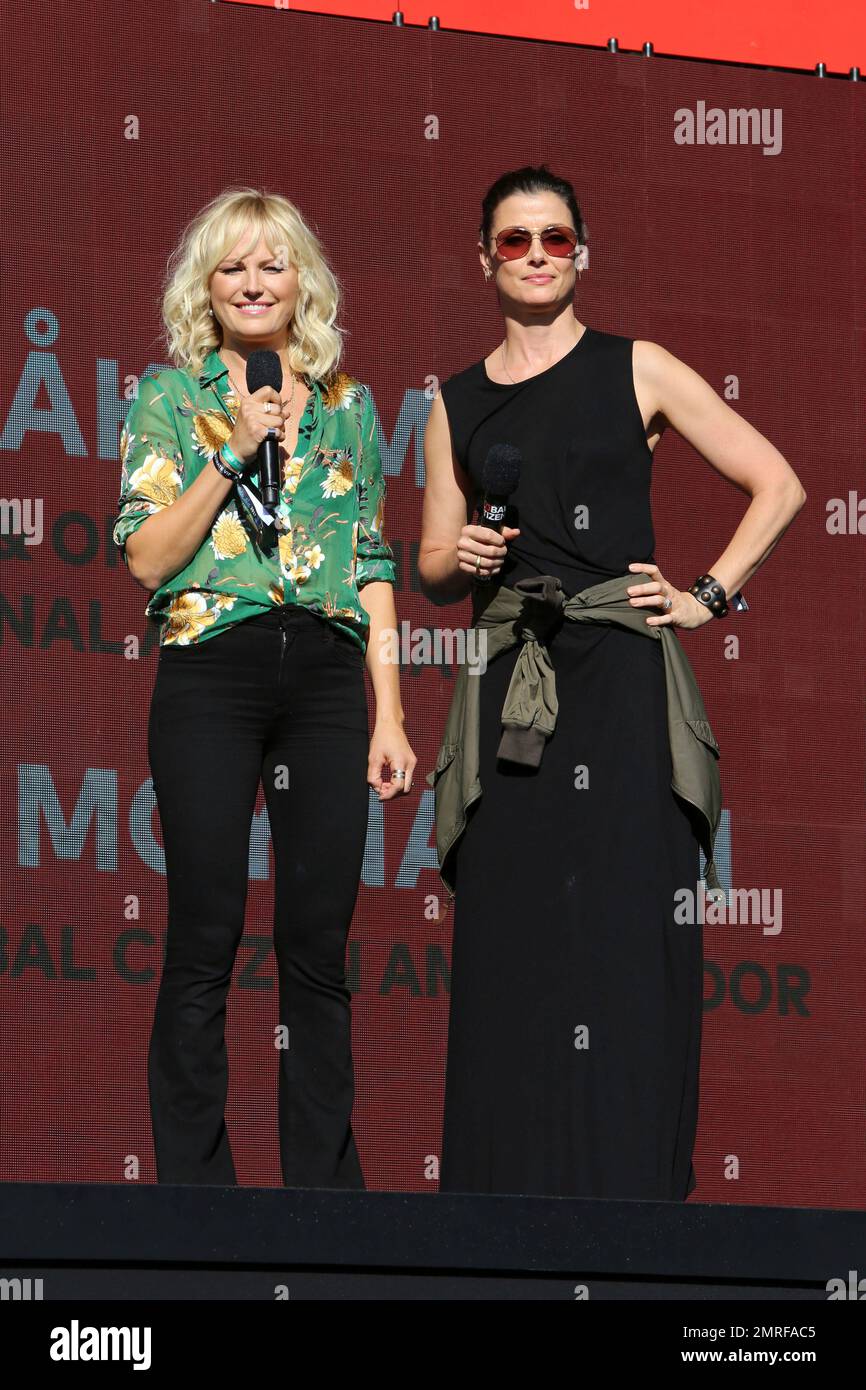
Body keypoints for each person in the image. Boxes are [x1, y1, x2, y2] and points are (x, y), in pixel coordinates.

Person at [420, 163, 805, 1201]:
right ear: (483, 258)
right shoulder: (451, 401)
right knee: (513, 936)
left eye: (554, 238)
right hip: (513, 696)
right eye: (514, 240)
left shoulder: (636, 367)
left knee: (629, 930)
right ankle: (498, 1207)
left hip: (619, 682)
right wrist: (460, 556)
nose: (536, 255)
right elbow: (424, 564)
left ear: (580, 252)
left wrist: (708, 594)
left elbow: (778, 481)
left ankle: (630, 1200)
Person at [113, 186, 416, 1187]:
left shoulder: (349, 406)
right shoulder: (168, 397)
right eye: (231, 266)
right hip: (213, 668)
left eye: (270, 264)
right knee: (205, 929)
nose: (252, 283)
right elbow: (149, 559)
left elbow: (371, 560)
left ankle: (325, 1198)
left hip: (327, 678)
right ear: (207, 285)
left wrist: (390, 711)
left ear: (303, 283)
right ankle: (196, 1194)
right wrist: (232, 449)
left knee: (316, 942)